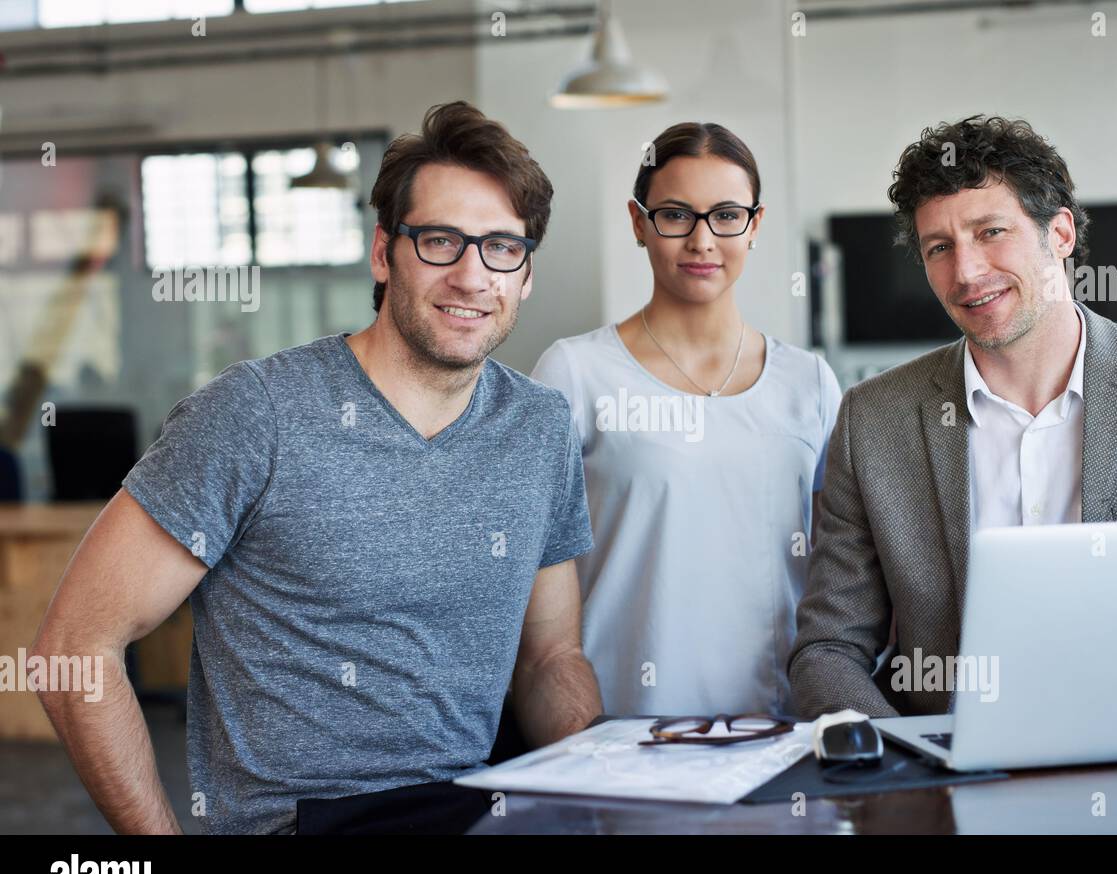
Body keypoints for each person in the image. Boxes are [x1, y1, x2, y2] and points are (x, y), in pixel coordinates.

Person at [32, 101, 601, 834]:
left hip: (476, 811)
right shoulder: (256, 413)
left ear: (525, 274)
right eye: (439, 241)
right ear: (381, 253)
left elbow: (551, 658)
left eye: (502, 247)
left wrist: (609, 781)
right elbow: (73, 648)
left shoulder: (539, 426)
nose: (472, 275)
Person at [789, 114, 1117, 721]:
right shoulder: (873, 421)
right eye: (940, 248)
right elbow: (827, 649)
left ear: (1059, 233)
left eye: (991, 232)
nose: (967, 272)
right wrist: (898, 763)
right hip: (955, 782)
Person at [531, 121, 841, 716]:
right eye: (676, 215)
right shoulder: (575, 372)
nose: (702, 241)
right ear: (638, 222)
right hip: (624, 731)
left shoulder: (809, 382)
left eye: (726, 215)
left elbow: (837, 580)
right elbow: (541, 607)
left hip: (779, 732)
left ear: (755, 224)